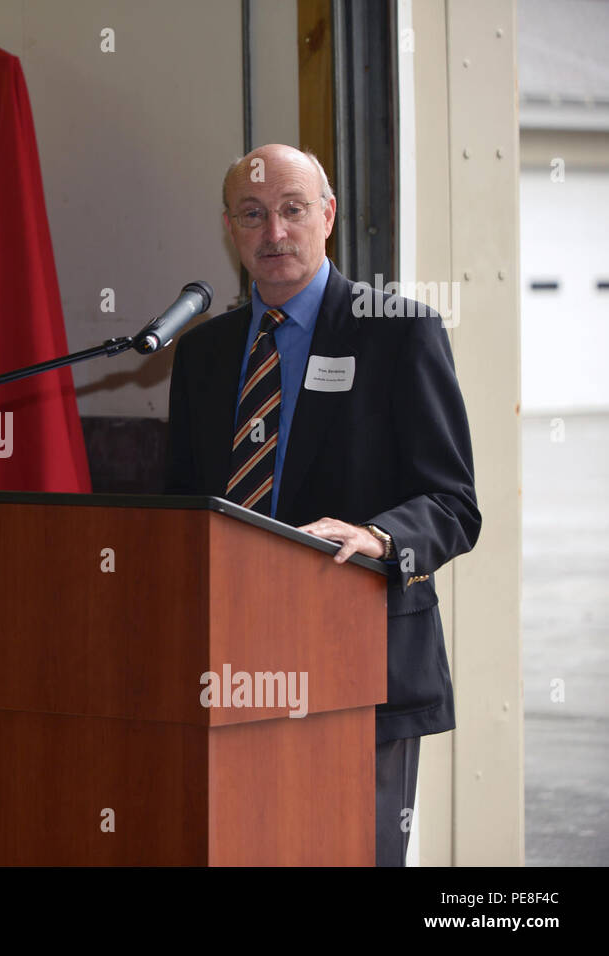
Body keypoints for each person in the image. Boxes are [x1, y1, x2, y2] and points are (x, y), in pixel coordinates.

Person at [165, 143, 481, 865]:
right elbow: (184, 506)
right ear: (229, 229)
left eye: (292, 210)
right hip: (231, 660)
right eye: (252, 214)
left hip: (359, 660)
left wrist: (376, 534)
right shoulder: (204, 354)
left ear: (327, 216)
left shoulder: (399, 332)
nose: (274, 232)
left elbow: (454, 504)